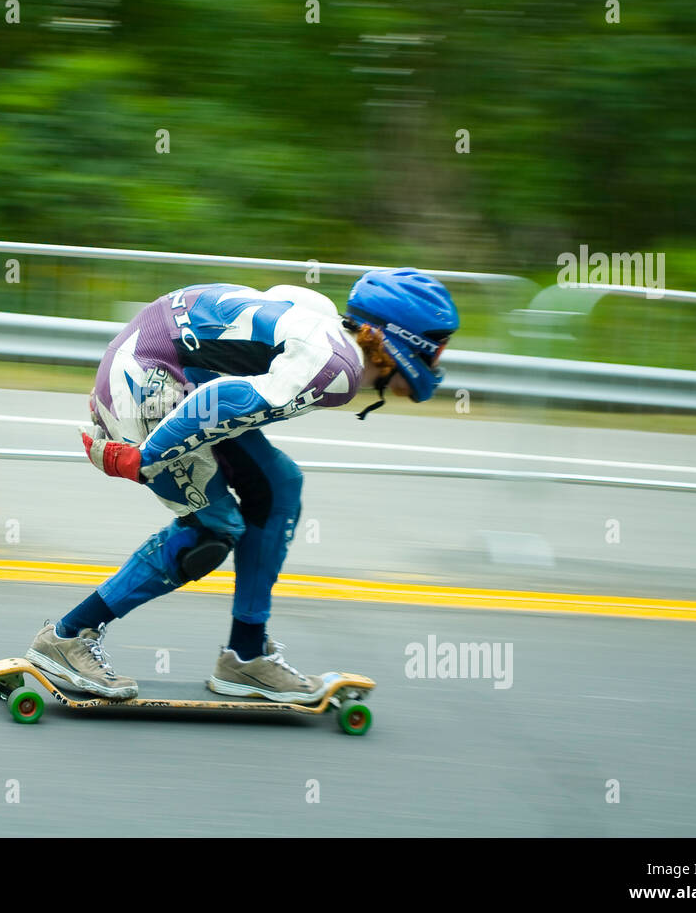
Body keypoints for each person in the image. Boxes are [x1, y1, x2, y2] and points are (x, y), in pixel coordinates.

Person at [25, 267, 459, 701]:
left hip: (168, 362)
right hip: (152, 376)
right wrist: (146, 456)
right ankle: (69, 636)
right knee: (212, 529)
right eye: (438, 349)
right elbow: (223, 401)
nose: (438, 363)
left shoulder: (327, 327)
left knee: (277, 488)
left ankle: (246, 658)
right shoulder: (338, 369)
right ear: (407, 341)